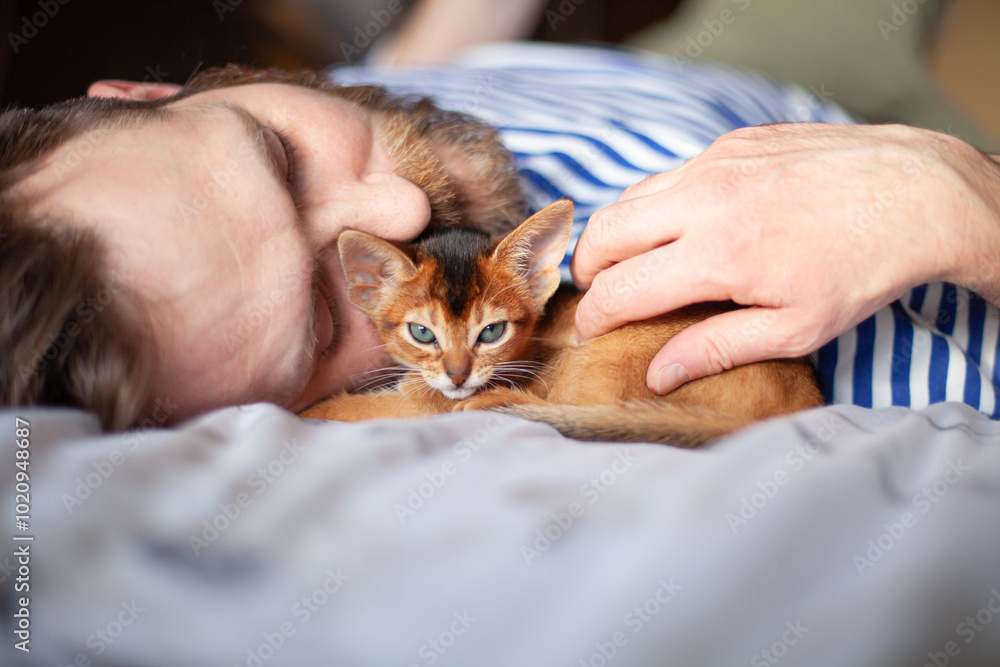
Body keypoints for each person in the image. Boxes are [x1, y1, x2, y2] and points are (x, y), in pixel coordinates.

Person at [1, 38, 998, 430]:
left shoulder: (395, 98)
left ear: (150, 90)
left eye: (277, 149)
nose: (398, 214)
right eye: (323, 304)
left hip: (616, 56)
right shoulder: (909, 370)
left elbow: (420, 63)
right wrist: (964, 206)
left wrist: (431, 47)